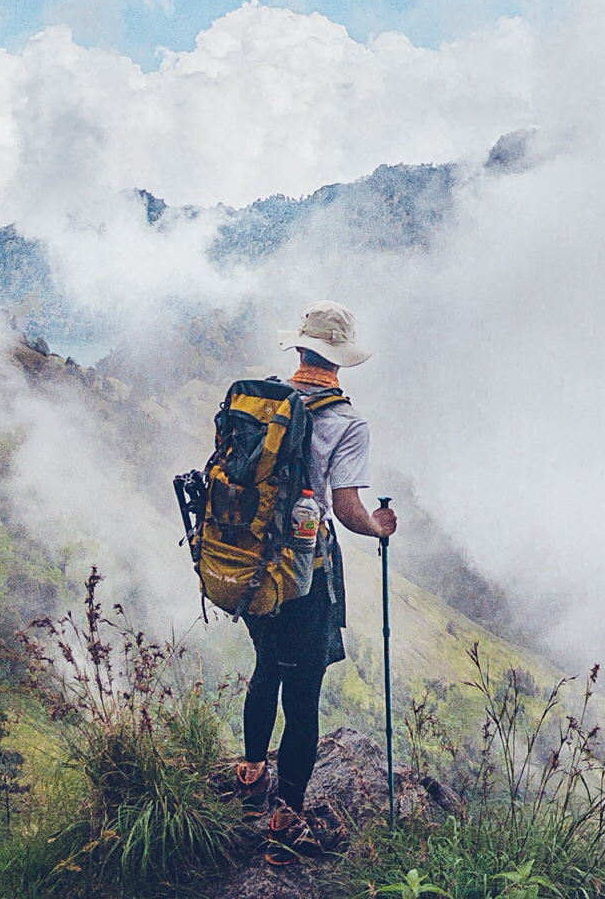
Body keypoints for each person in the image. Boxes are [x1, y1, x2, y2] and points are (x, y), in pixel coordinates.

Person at [235, 300, 397, 831]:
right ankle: (286, 821)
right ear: (339, 359)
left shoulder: (265, 406)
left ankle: (251, 777)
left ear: (301, 348)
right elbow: (347, 510)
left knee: (265, 669)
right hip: (308, 571)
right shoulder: (346, 422)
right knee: (302, 693)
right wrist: (378, 527)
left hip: (253, 560)